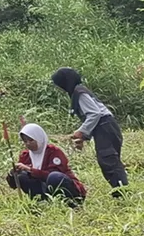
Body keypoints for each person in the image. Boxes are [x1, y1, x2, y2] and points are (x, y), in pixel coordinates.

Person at [51, 68, 128, 196]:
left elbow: (95, 114)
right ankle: (120, 191)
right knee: (110, 160)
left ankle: (122, 192)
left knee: (108, 160)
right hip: (107, 127)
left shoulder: (79, 93)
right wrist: (83, 136)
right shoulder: (80, 91)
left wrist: (81, 131)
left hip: (105, 127)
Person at [6, 123, 86, 204]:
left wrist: (30, 170)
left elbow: (52, 176)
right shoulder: (25, 155)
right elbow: (14, 185)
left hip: (66, 189)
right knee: (22, 176)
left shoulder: (53, 152)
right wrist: (12, 174)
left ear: (39, 138)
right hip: (43, 190)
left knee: (54, 177)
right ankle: (41, 202)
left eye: (31, 140)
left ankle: (72, 203)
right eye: (25, 141)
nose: (28, 144)